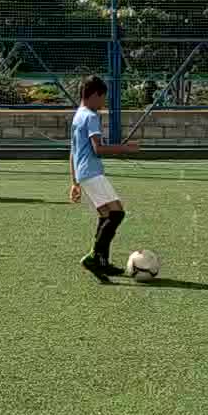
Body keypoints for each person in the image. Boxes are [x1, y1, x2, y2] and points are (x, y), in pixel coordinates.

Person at [70, 76, 141, 283]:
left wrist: (74, 182)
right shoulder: (91, 116)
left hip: (84, 173)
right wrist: (126, 148)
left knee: (106, 215)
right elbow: (98, 148)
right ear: (94, 95)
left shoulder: (77, 115)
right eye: (102, 99)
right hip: (92, 172)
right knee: (117, 213)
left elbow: (73, 151)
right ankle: (95, 257)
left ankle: (101, 261)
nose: (103, 104)